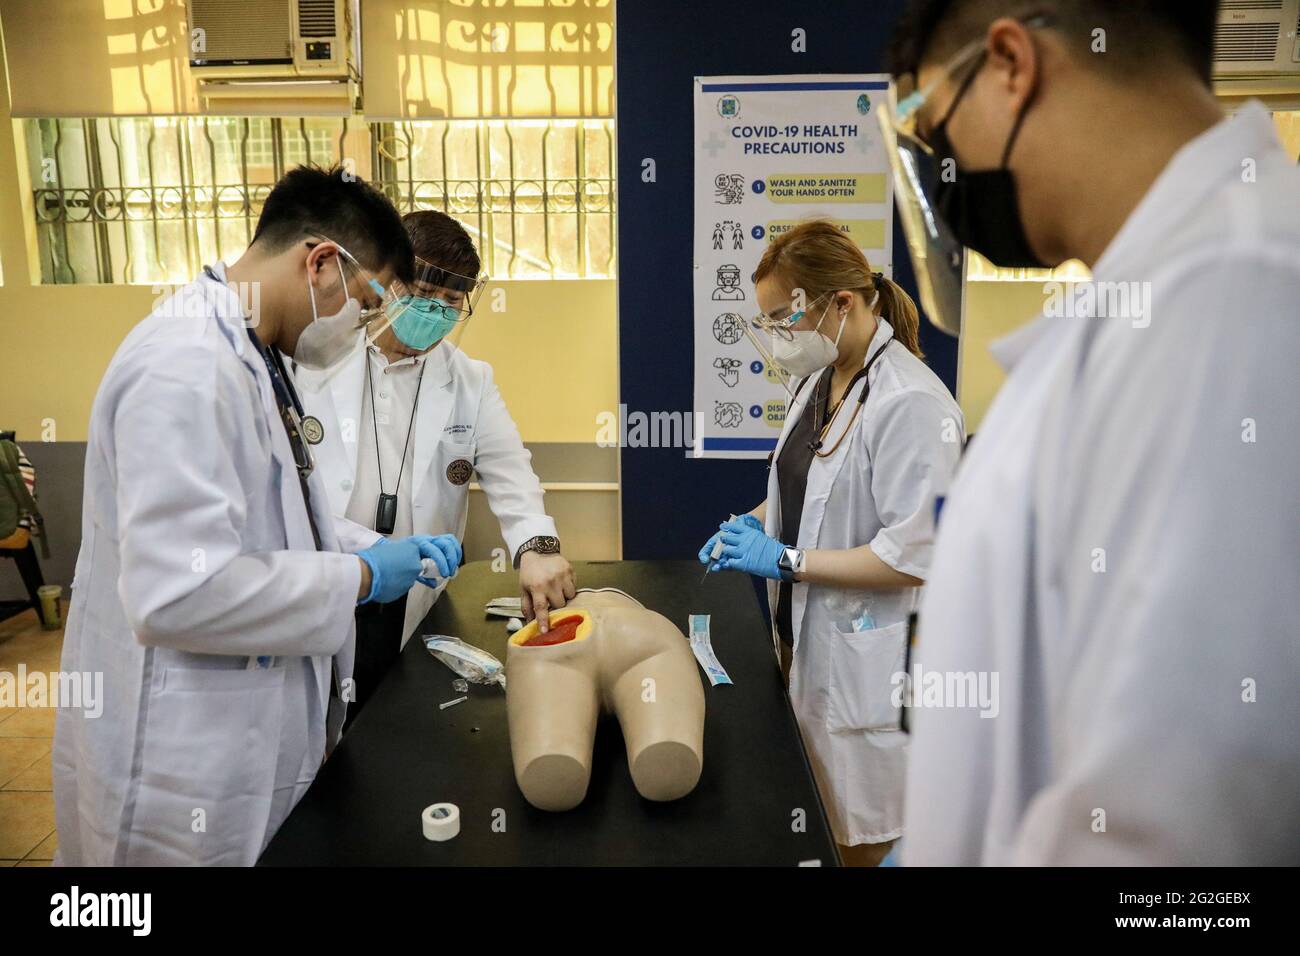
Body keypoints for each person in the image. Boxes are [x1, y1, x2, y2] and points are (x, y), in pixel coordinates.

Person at [883, 0, 1300, 864]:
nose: (944, 166)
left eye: (936, 126)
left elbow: (1176, 833)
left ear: (1008, 64)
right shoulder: (1158, 294)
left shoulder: (1235, 294)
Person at [52, 165, 463, 866]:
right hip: (179, 777)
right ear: (322, 264)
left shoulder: (253, 356)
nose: (363, 328)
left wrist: (375, 546)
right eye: (366, 306)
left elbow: (276, 519)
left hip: (247, 745)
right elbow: (176, 594)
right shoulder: (184, 367)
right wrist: (359, 578)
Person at [698, 220, 964, 866]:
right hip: (802, 649)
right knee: (812, 829)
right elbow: (804, 489)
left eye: (785, 318)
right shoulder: (820, 380)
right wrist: (759, 521)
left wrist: (789, 561)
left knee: (853, 841)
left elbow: (920, 555)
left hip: (864, 672)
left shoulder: (913, 404)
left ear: (842, 303)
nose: (779, 337)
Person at [296, 210, 575, 720]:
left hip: (416, 600)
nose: (438, 312)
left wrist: (537, 548)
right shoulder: (315, 362)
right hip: (327, 581)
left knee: (402, 725)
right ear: (387, 284)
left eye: (451, 302)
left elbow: (513, 473)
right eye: (426, 294)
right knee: (323, 735)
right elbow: (291, 494)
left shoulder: (470, 381)